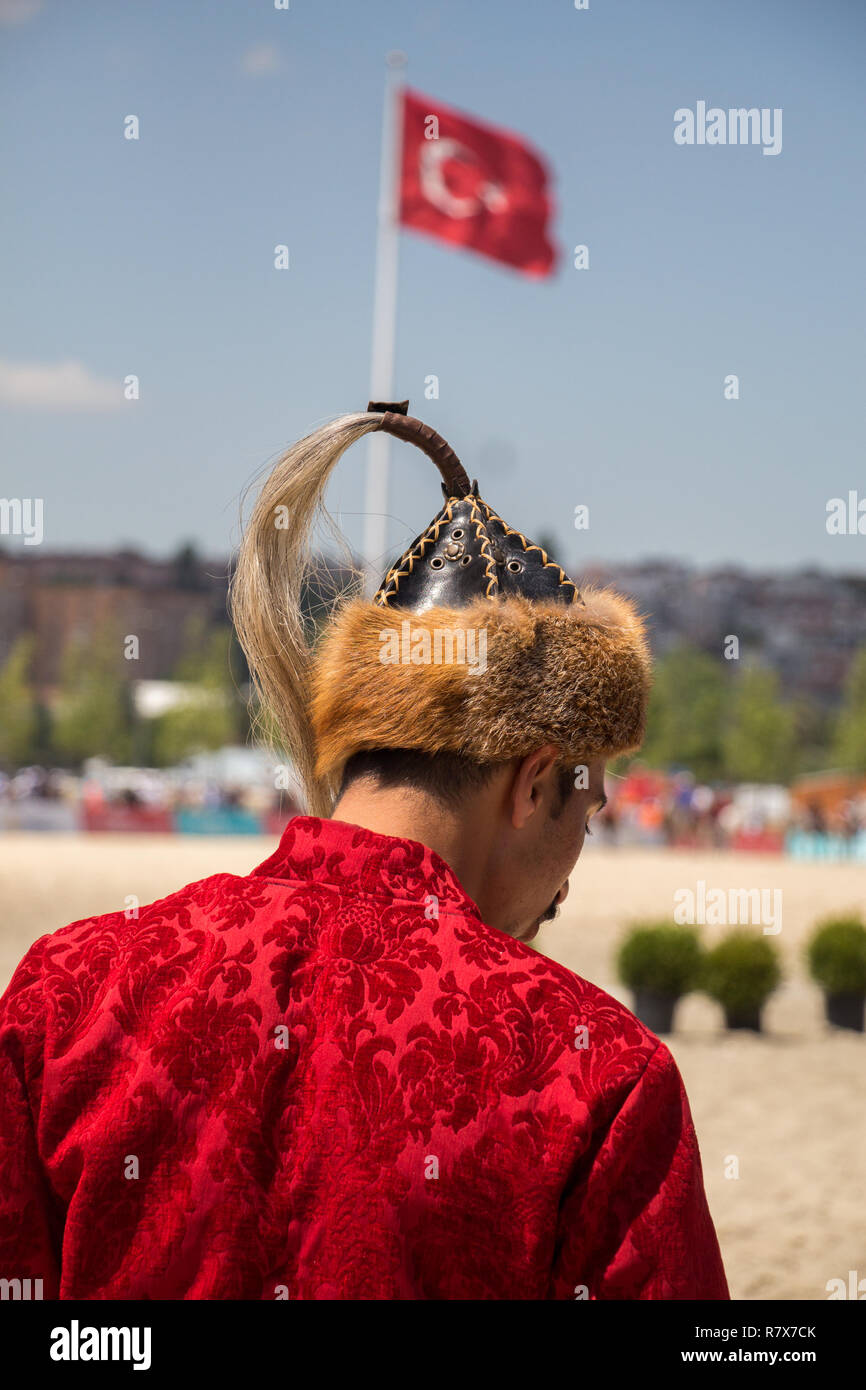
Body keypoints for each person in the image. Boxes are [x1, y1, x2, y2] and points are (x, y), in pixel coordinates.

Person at [0, 403, 728, 1300]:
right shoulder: (596, 1077)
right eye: (589, 806)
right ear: (538, 784)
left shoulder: (66, 992)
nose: (574, 870)